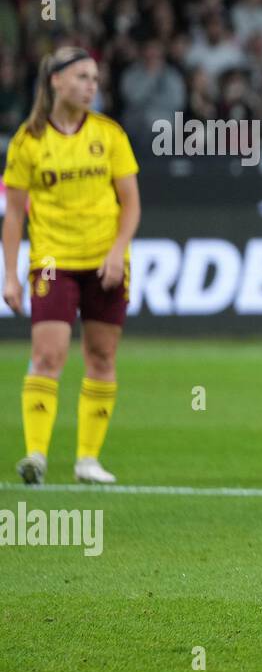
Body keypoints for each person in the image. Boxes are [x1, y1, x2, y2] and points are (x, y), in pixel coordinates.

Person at [2, 46, 141, 485]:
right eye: (82, 77)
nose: (91, 86)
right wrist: (10, 275)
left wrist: (118, 250)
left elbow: (131, 203)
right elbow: (14, 215)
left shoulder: (110, 134)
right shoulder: (28, 141)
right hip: (52, 261)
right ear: (55, 81)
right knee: (48, 354)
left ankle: (87, 460)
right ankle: (37, 456)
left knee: (102, 355)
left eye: (95, 80)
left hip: (104, 261)